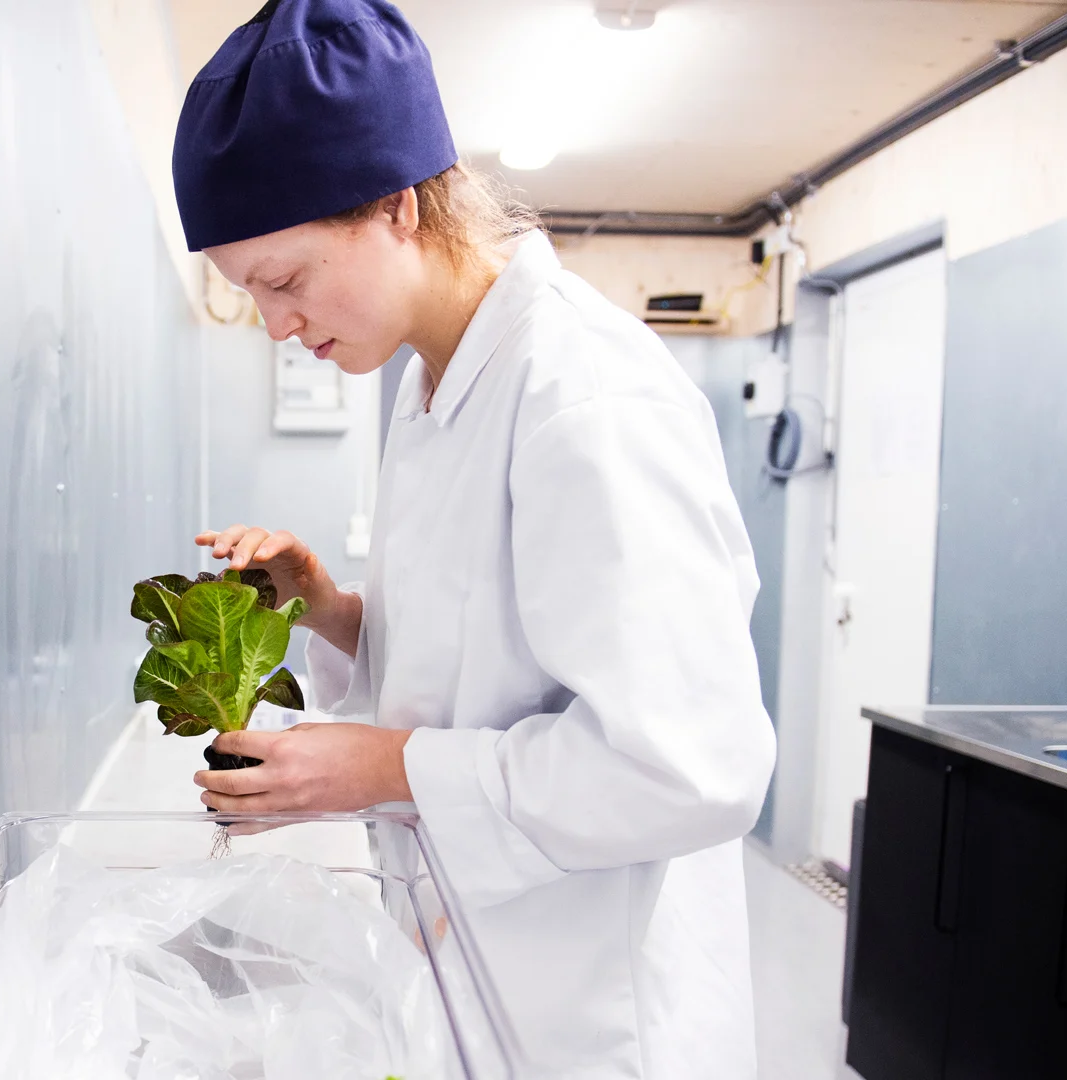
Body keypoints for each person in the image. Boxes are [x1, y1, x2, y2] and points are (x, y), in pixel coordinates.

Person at [171, 1, 776, 1076]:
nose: (275, 324)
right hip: (482, 970)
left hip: (594, 1013)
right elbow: (493, 658)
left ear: (396, 206)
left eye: (285, 279)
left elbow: (692, 766)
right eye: (248, 292)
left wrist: (383, 767)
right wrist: (334, 610)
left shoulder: (583, 396)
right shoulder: (433, 386)